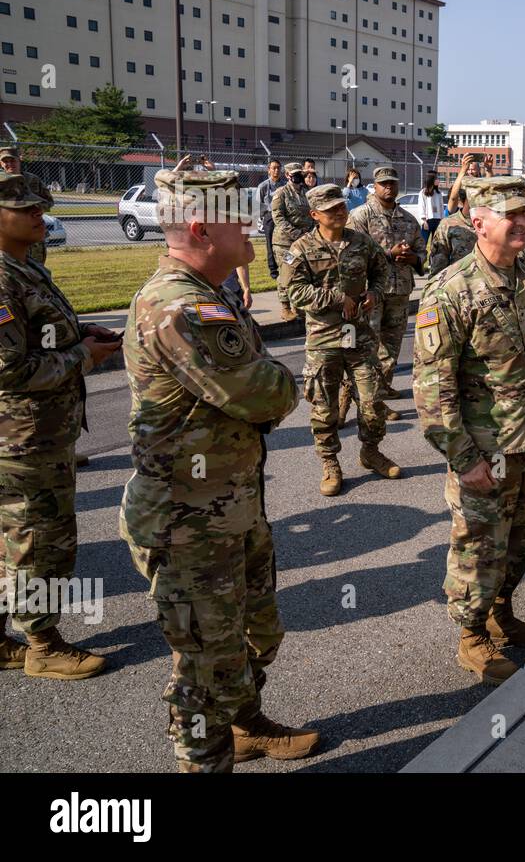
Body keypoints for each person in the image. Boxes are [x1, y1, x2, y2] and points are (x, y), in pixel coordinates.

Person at [119, 163, 318, 772]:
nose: (253, 224)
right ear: (203, 229)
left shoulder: (211, 295)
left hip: (228, 508)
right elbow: (267, 394)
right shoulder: (182, 309)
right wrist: (285, 382)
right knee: (206, 665)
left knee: (257, 633)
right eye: (240, 216)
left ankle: (244, 724)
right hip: (188, 525)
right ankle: (206, 757)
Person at [412, 176, 525, 685]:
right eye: (513, 215)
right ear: (478, 223)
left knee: (523, 541)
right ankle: (471, 635)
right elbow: (433, 386)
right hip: (485, 451)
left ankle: (501, 613)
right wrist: (463, 458)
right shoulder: (452, 289)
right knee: (479, 546)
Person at [0, 172, 120, 678]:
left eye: (41, 207)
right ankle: (42, 644)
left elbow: (36, 337)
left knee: (14, 535)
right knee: (38, 539)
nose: (39, 215)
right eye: (26, 209)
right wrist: (82, 358)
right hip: (24, 437)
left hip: (42, 433)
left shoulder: (25, 267)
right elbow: (8, 370)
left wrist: (79, 332)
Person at [283, 183, 401, 495]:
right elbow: (294, 291)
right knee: (324, 405)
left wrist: (375, 293)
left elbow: (382, 271)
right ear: (314, 214)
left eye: (341, 206)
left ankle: (370, 451)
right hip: (324, 339)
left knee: (372, 400)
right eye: (331, 208)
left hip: (359, 336)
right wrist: (337, 298)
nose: (339, 211)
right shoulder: (301, 249)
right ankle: (330, 463)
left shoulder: (361, 242)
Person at [348, 166, 425, 420]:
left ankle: (379, 393)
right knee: (366, 347)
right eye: (383, 183)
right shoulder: (361, 216)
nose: (389, 187)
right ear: (375, 186)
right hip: (372, 292)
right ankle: (359, 398)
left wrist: (413, 257)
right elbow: (353, 256)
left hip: (400, 291)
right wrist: (387, 254)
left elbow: (424, 255)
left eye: (392, 183)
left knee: (390, 348)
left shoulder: (408, 220)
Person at [270, 162, 313, 321]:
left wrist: (310, 232)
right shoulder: (281, 193)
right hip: (285, 243)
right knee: (286, 273)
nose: (298, 177)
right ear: (287, 175)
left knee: (301, 273)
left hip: (303, 241)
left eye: (299, 173)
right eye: (294, 174)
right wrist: (297, 233)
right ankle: (285, 308)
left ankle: (298, 306)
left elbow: (311, 214)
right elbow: (279, 218)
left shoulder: (305, 192)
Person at [0, 148, 53, 266]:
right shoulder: (1, 182)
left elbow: (48, 201)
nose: (9, 164)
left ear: (19, 160)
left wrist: (32, 209)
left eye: (12, 160)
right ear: (1, 163)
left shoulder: (32, 180)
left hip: (32, 233)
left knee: (36, 270)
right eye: (5, 161)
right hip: (9, 236)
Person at [426, 186, 477, 276]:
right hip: (458, 284)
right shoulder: (447, 224)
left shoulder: (491, 223)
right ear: (463, 200)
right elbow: (438, 266)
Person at [256, 159, 286, 281]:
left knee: (284, 241)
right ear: (269, 170)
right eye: (273, 168)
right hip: (269, 216)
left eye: (278, 168)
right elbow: (258, 204)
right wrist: (264, 217)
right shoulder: (263, 186)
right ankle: (273, 270)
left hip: (283, 215)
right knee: (270, 243)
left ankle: (285, 266)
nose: (276, 170)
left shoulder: (285, 185)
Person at [416, 173, 444, 247]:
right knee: (423, 243)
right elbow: (421, 207)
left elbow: (441, 207)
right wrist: (423, 221)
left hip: (438, 221)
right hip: (427, 221)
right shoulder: (423, 192)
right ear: (431, 180)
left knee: (436, 244)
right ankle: (422, 258)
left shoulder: (439, 193)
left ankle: (433, 258)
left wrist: (442, 220)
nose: (438, 180)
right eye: (436, 179)